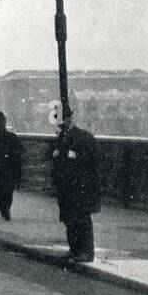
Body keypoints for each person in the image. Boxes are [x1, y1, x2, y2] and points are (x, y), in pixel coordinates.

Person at [51, 106, 99, 263]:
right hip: (66, 188)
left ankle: (86, 252)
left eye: (64, 118)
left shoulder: (82, 138)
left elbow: (91, 164)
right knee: (69, 219)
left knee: (82, 219)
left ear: (69, 118)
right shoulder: (60, 139)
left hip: (80, 188)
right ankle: (75, 249)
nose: (61, 122)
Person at [0, 111, 23, 221]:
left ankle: (6, 207)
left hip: (9, 167)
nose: (1, 124)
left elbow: (19, 151)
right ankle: (4, 208)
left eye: (2, 121)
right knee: (0, 189)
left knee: (8, 189)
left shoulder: (11, 137)